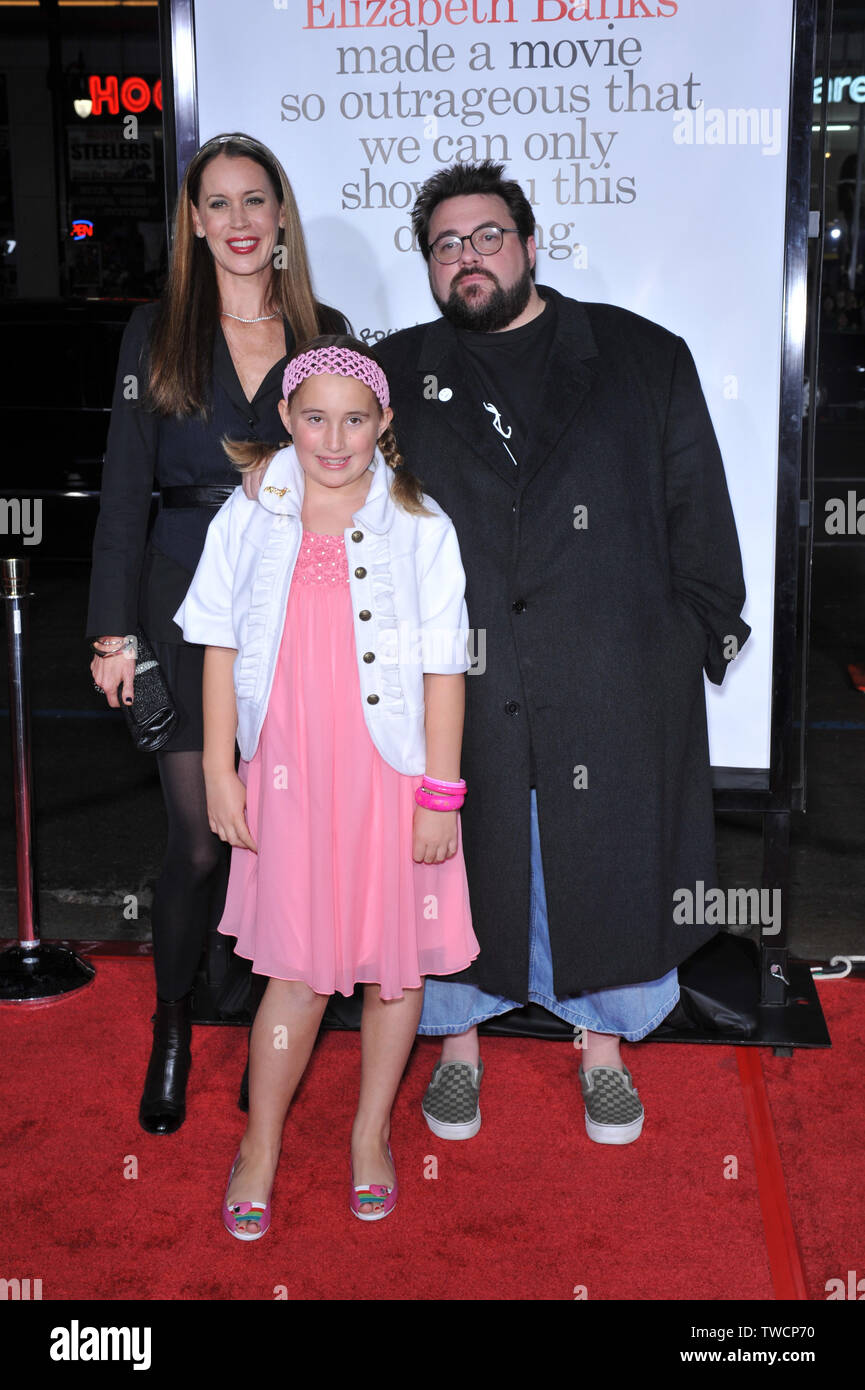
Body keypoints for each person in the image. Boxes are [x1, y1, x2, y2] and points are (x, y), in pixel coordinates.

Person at [372, 160, 751, 1145]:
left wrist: (686, 638)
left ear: (529, 244)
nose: (467, 256)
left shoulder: (638, 355)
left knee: (603, 852)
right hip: (461, 679)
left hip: (608, 671)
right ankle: (456, 1044)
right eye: (445, 243)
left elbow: (698, 514)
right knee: (461, 856)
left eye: (486, 235)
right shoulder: (397, 373)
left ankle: (604, 1042)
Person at [174, 336, 478, 1237]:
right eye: (315, 419)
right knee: (297, 974)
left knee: (394, 974)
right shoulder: (248, 514)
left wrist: (440, 795)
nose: (333, 439)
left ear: (384, 424)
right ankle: (259, 1144)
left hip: (391, 780)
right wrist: (222, 771)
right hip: (287, 778)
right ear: (286, 421)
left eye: (354, 420)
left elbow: (444, 671)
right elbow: (218, 646)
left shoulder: (420, 524)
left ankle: (369, 1136)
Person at [86, 133, 348, 1135]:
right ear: (194, 222)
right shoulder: (155, 332)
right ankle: (173, 1023)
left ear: (279, 217)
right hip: (177, 605)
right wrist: (112, 629)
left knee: (279, 839)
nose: (239, 222)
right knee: (198, 843)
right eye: (219, 205)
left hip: (294, 609)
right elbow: (121, 494)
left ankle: (263, 1030)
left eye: (256, 202)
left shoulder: (327, 328)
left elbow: (360, 473)